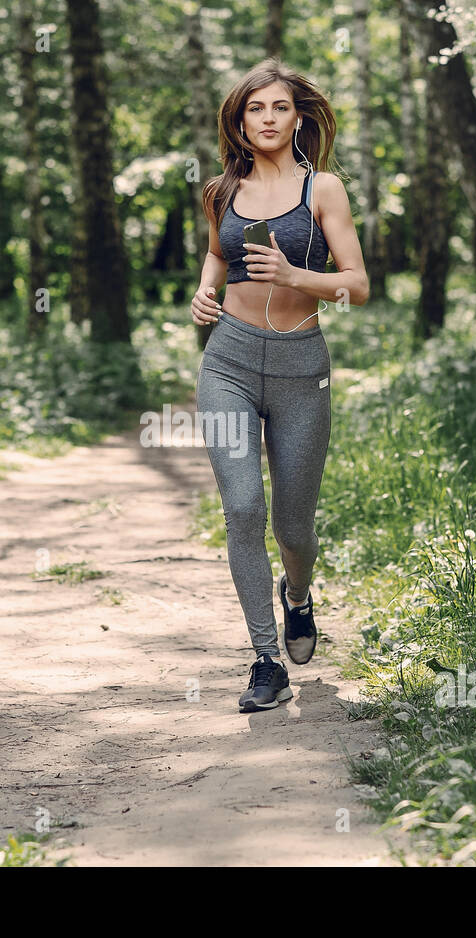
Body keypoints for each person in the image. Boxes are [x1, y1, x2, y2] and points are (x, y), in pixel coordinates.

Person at [190, 58, 369, 713]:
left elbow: (357, 285)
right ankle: (265, 661)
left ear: (298, 116)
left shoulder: (323, 190)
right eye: (253, 110)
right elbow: (217, 252)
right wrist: (204, 294)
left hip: (301, 368)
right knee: (242, 509)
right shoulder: (219, 191)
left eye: (278, 108)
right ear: (238, 121)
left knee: (294, 529)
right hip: (229, 362)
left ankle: (298, 598)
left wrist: (297, 276)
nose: (266, 119)